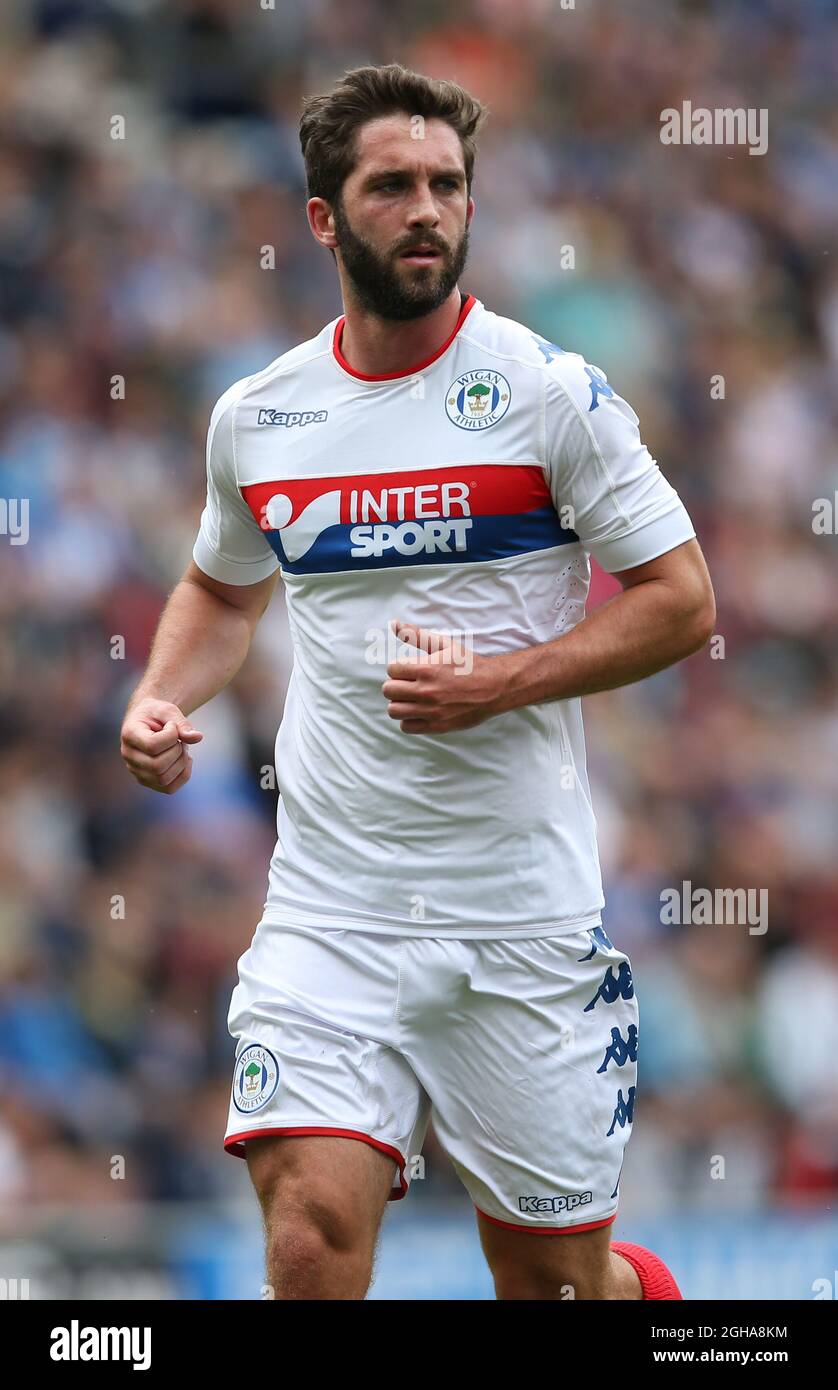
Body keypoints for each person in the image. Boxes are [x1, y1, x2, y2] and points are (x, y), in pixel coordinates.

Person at [120, 63, 714, 1300]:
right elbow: (223, 591)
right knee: (306, 1245)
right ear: (326, 218)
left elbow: (682, 600)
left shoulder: (551, 396)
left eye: (447, 184)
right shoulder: (262, 417)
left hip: (517, 919)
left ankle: (636, 1291)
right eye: (392, 185)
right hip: (332, 912)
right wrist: (163, 698)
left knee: (553, 1284)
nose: (427, 208)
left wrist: (501, 681)